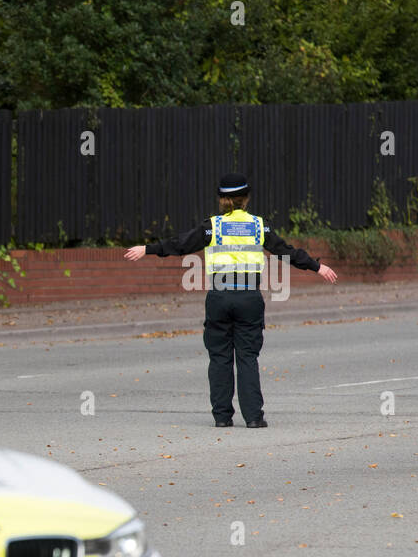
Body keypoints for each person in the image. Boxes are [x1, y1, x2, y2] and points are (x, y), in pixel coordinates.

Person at [123, 173, 338, 427]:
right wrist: (316, 267)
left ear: (222, 201)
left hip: (219, 298)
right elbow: (285, 252)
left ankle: (223, 418)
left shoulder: (212, 226)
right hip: (249, 298)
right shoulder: (259, 226)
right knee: (247, 357)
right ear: (246, 199)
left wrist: (147, 249)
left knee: (219, 357)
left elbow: (180, 244)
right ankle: (254, 419)